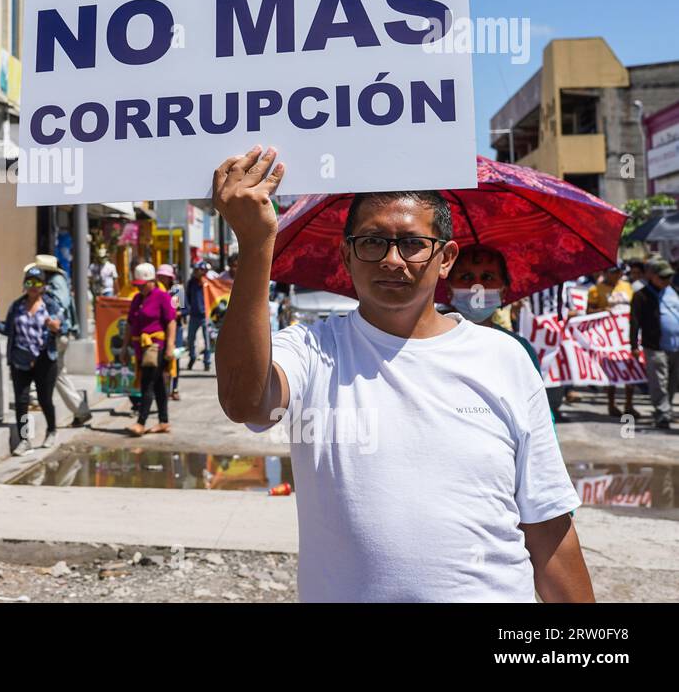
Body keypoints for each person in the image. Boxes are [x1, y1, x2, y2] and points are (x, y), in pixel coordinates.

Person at [215, 145, 592, 602]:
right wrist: (256, 245)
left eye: (413, 243)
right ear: (347, 255)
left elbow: (549, 526)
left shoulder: (505, 358)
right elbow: (243, 400)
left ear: (446, 257)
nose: (393, 260)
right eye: (372, 242)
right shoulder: (313, 350)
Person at [448, 244, 565, 421]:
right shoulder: (431, 342)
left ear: (504, 290)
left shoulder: (520, 349)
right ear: (449, 288)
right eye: (466, 277)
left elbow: (538, 416)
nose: (476, 286)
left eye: (487, 277)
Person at [0, 266, 64, 455]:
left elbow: (62, 326)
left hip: (44, 359)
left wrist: (55, 327)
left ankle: (52, 430)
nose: (33, 287)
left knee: (44, 399)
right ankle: (25, 439)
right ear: (24, 285)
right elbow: (8, 329)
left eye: (37, 283)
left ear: (43, 286)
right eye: (29, 282)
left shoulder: (50, 305)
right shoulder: (17, 306)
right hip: (21, 359)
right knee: (21, 401)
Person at [29, 253, 93, 427]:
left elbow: (61, 303)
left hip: (57, 335)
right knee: (57, 373)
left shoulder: (56, 282)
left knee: (53, 373)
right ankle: (79, 410)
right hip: (57, 335)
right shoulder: (57, 280)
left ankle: (80, 410)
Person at [125, 262, 177, 437]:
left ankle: (141, 422)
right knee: (159, 385)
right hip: (141, 347)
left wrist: (170, 346)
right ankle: (164, 421)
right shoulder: (137, 299)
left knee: (148, 384)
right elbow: (130, 323)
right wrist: (125, 346)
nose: (139, 288)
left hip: (156, 347)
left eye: (142, 285)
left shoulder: (163, 297)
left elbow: (171, 321)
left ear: (151, 281)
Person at [629, 258, 678, 432]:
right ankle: (662, 413)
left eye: (668, 277)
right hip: (655, 346)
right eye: (662, 277)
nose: (666, 281)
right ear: (652, 276)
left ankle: (666, 409)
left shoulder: (675, 291)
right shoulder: (641, 296)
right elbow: (634, 322)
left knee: (672, 382)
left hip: (676, 346)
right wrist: (634, 345)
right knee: (659, 381)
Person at [588, 264, 638, 420]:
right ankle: (611, 404)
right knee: (612, 370)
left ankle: (629, 404)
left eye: (618, 272)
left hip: (626, 335)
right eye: (613, 272)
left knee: (630, 368)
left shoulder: (627, 286)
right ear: (605, 273)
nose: (616, 275)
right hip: (609, 337)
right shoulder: (596, 290)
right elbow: (588, 311)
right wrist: (602, 311)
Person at [156, 263, 185, 400]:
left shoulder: (177, 290)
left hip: (176, 329)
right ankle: (164, 390)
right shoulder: (156, 291)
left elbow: (185, 309)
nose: (162, 279)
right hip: (161, 329)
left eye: (165, 277)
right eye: (160, 276)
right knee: (162, 361)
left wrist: (176, 313)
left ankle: (175, 388)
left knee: (175, 359)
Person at [184, 260, 212, 371]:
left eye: (198, 270)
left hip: (206, 316)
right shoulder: (191, 283)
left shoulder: (209, 283)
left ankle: (207, 361)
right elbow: (186, 298)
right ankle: (192, 357)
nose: (196, 272)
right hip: (194, 316)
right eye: (195, 270)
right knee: (191, 339)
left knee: (207, 341)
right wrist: (186, 311)